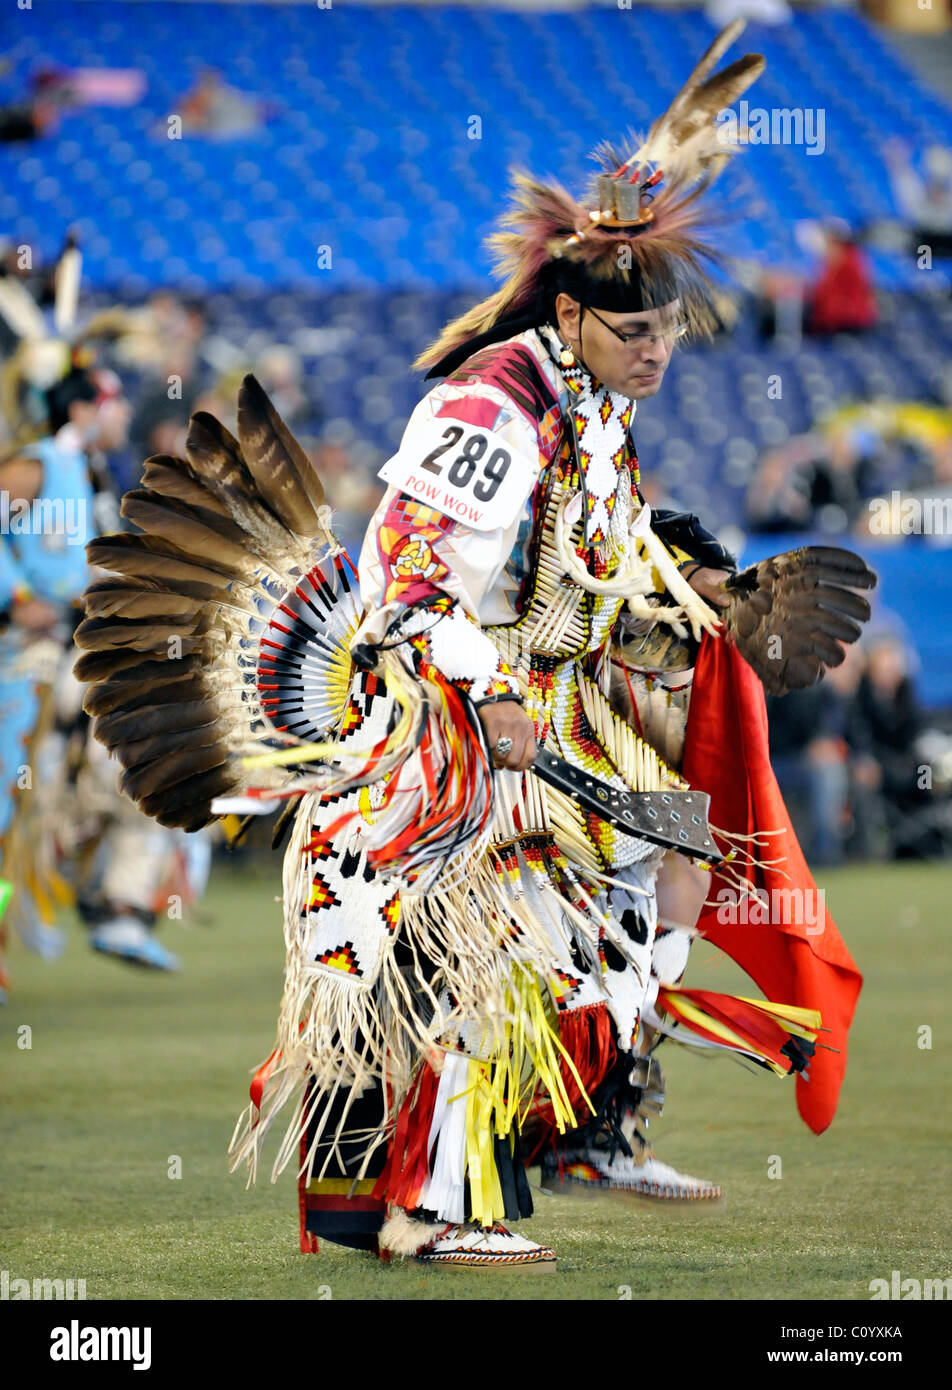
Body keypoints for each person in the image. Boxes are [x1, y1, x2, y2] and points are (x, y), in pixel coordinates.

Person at [77, 22, 868, 1271]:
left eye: (665, 333)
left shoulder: (591, 401)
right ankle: (402, 1210)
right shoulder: (493, 405)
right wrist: (491, 700)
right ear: (568, 315)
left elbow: (605, 533)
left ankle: (585, 1124)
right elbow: (409, 572)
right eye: (630, 334)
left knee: (663, 858)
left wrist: (704, 593)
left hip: (525, 712)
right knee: (418, 964)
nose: (654, 352)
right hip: (425, 719)